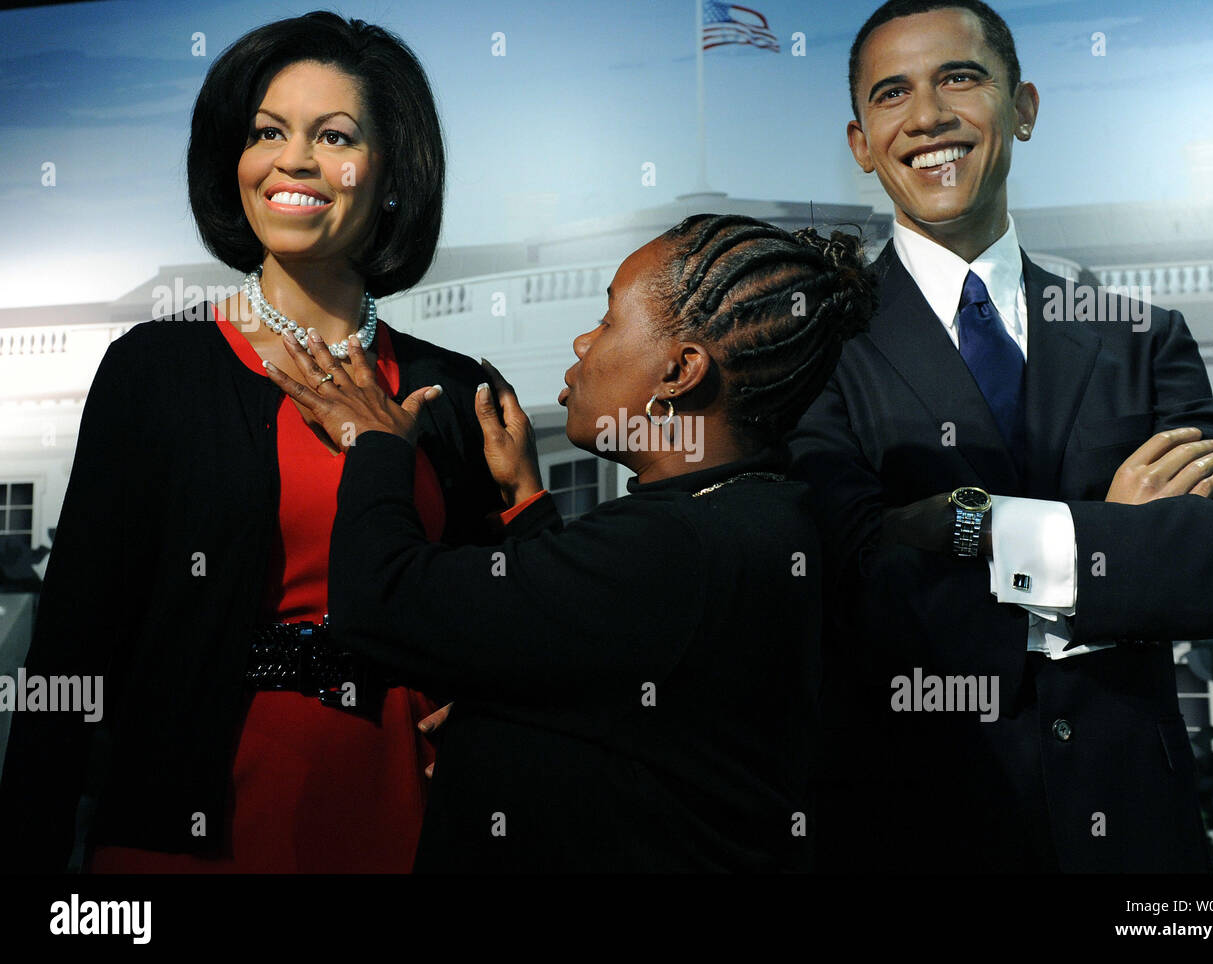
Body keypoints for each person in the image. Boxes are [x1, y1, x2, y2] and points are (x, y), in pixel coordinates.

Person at [787, 0, 1213, 873]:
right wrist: (1111, 539)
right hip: (922, 836)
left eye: (960, 77)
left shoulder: (1139, 336)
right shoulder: (816, 354)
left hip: (1141, 849)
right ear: (861, 142)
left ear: (1022, 107)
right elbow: (857, 591)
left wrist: (995, 532)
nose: (928, 116)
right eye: (891, 93)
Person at [0, 11, 506, 873]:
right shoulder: (154, 371)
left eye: (334, 135)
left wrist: (492, 713)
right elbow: (73, 648)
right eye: (267, 132)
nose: (293, 161)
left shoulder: (457, 391)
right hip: (187, 827)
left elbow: (497, 622)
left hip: (405, 818)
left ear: (391, 175)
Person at [260, 214, 873, 872]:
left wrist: (375, 442)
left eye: (608, 320)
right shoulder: (758, 515)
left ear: (680, 370)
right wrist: (527, 506)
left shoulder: (679, 543)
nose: (583, 340)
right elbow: (600, 653)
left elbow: (381, 603)